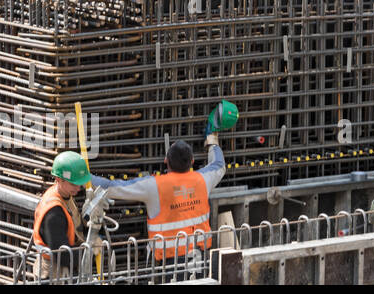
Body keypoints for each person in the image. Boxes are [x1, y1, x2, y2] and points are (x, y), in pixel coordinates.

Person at [88, 103, 234, 262]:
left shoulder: (154, 186)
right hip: (200, 258)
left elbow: (112, 187)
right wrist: (211, 136)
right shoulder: (203, 180)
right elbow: (219, 164)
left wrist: (84, 177)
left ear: (166, 160)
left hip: (165, 263)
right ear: (192, 161)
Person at [30, 151, 111, 279]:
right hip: (52, 272)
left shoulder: (66, 195)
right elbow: (64, 255)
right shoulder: (53, 213)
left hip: (64, 268)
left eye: (79, 184)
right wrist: (89, 249)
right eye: (73, 184)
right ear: (58, 179)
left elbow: (73, 225)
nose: (78, 188)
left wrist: (88, 220)